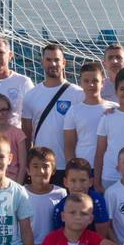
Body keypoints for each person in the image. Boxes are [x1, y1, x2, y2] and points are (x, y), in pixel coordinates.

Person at [21, 42, 79, 186]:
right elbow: (27, 137)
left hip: (68, 166)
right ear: (42, 62)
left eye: (57, 60)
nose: (53, 63)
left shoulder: (78, 94)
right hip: (41, 167)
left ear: (64, 62)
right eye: (48, 60)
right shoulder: (31, 95)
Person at [63, 61, 115, 185]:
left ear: (102, 82)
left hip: (110, 168)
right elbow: (69, 145)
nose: (91, 85)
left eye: (95, 81)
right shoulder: (73, 111)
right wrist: (73, 170)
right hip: (84, 169)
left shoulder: (114, 109)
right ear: (80, 83)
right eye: (86, 81)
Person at [24, 147, 68, 245]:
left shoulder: (61, 193)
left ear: (53, 170)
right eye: (35, 166)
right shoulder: (20, 193)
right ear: (28, 170)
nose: (41, 171)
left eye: (46, 166)